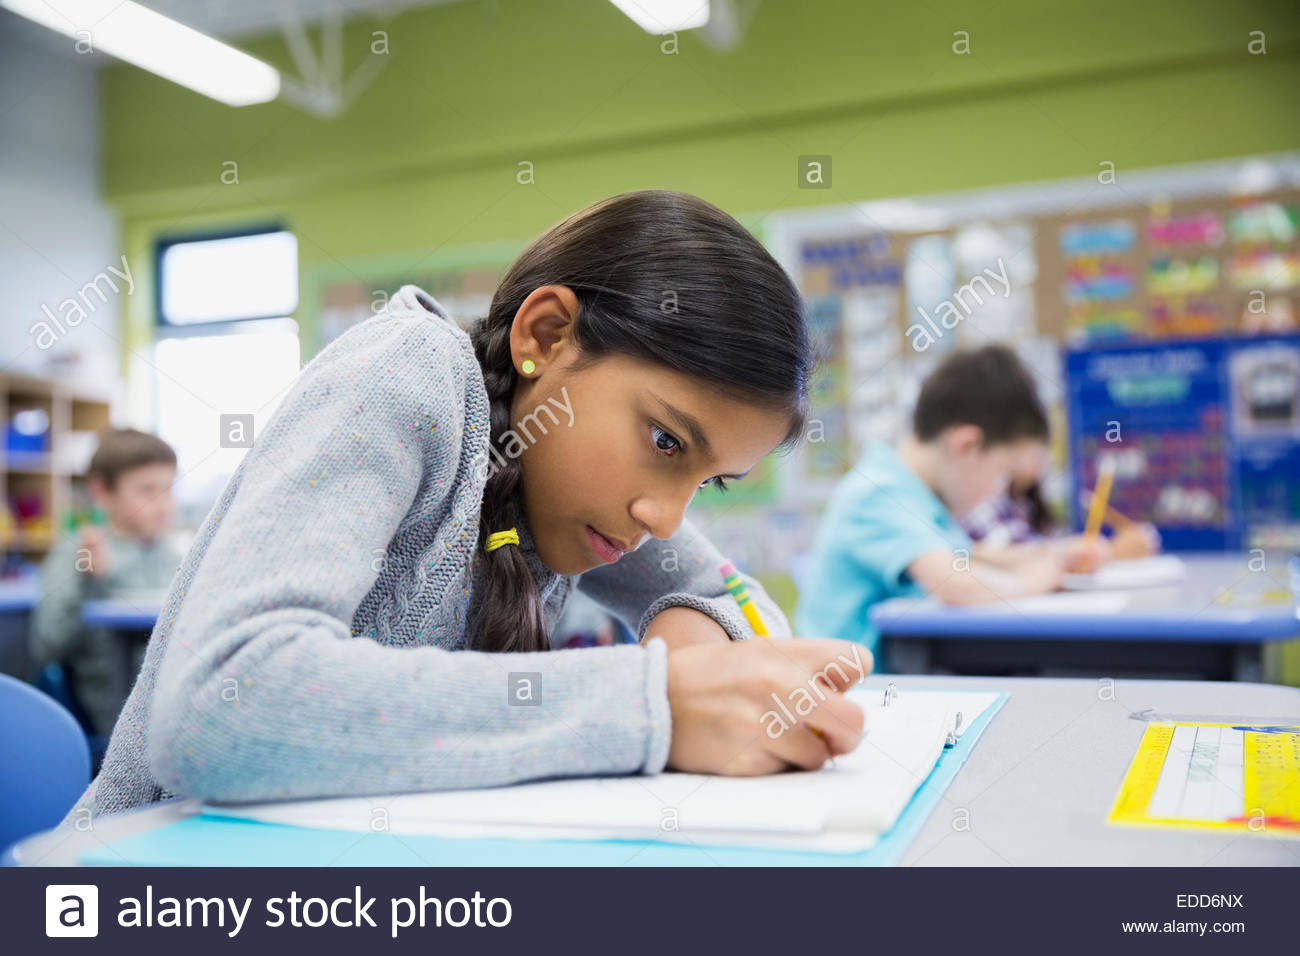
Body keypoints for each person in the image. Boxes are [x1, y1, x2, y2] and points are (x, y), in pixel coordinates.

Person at [64, 190, 869, 823]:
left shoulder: (582, 496)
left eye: (709, 482)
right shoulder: (409, 374)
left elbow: (742, 602)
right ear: (547, 337)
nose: (666, 516)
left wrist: (703, 632)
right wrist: (648, 704)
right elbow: (219, 707)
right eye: (666, 442)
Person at [796, 345, 1072, 664]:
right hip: (848, 695)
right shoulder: (877, 493)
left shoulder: (918, 496)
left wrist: (1053, 555)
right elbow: (956, 584)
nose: (1000, 492)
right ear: (966, 445)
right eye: (1003, 472)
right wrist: (1035, 580)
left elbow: (968, 557)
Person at [32, 428, 181, 738]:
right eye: (147, 490)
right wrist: (86, 581)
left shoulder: (172, 556)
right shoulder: (79, 551)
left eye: (169, 489)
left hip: (175, 703)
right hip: (117, 723)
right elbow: (47, 645)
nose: (164, 504)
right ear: (101, 490)